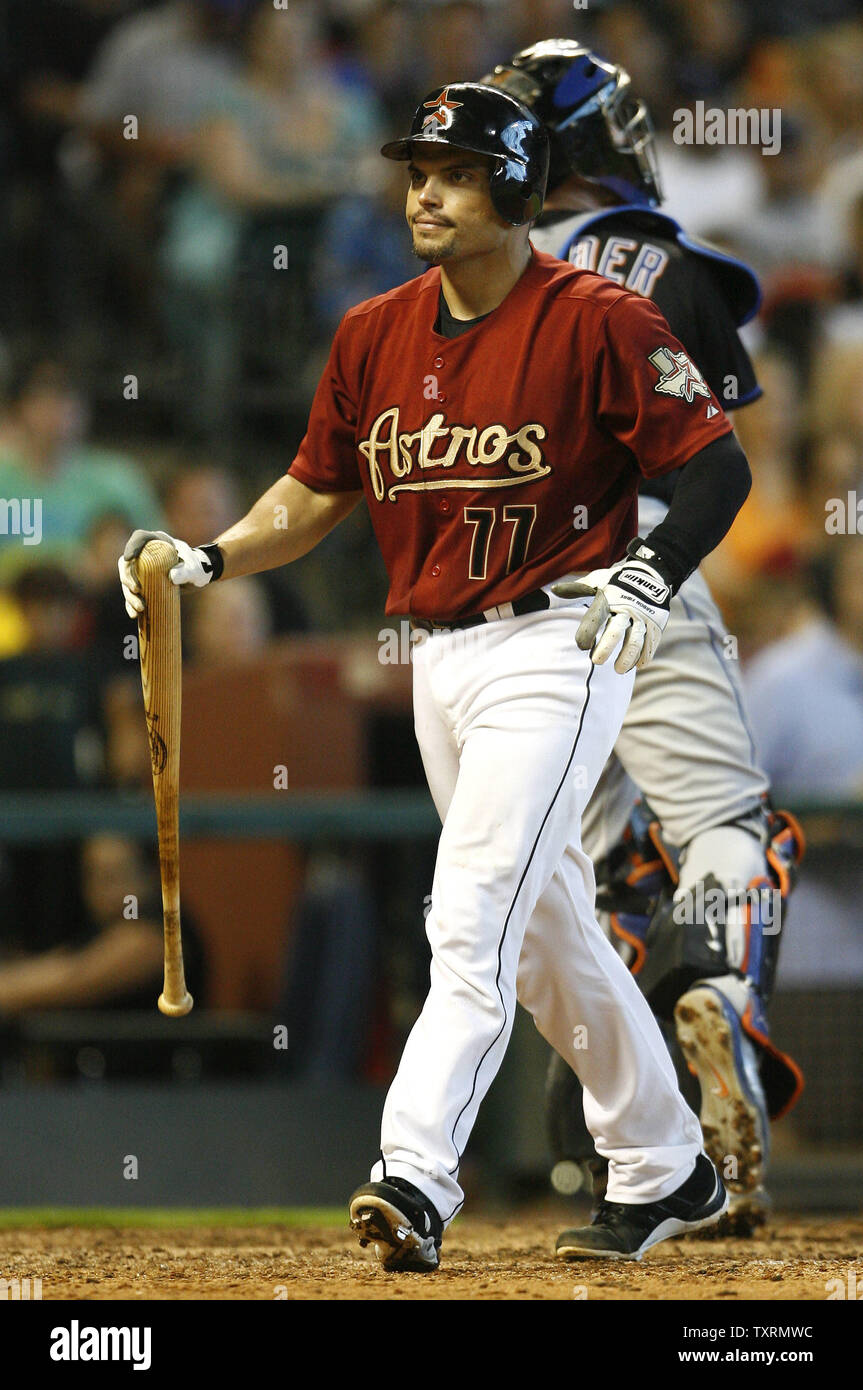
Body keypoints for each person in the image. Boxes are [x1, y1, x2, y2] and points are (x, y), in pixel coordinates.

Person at [119, 81, 753, 1267]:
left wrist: (651, 570)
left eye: (455, 173)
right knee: (546, 932)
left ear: (514, 189)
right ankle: (667, 1162)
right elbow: (314, 490)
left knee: (468, 911)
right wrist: (211, 557)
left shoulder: (599, 317)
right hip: (438, 656)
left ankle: (412, 1172)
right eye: (418, 171)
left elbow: (718, 468)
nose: (425, 192)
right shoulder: (374, 331)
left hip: (557, 643)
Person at [484, 39, 804, 1231]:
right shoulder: (659, 259)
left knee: (582, 877)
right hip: (639, 559)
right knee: (724, 827)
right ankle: (714, 988)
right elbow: (717, 449)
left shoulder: (467, 281)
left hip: (502, 601)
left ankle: (636, 1135)